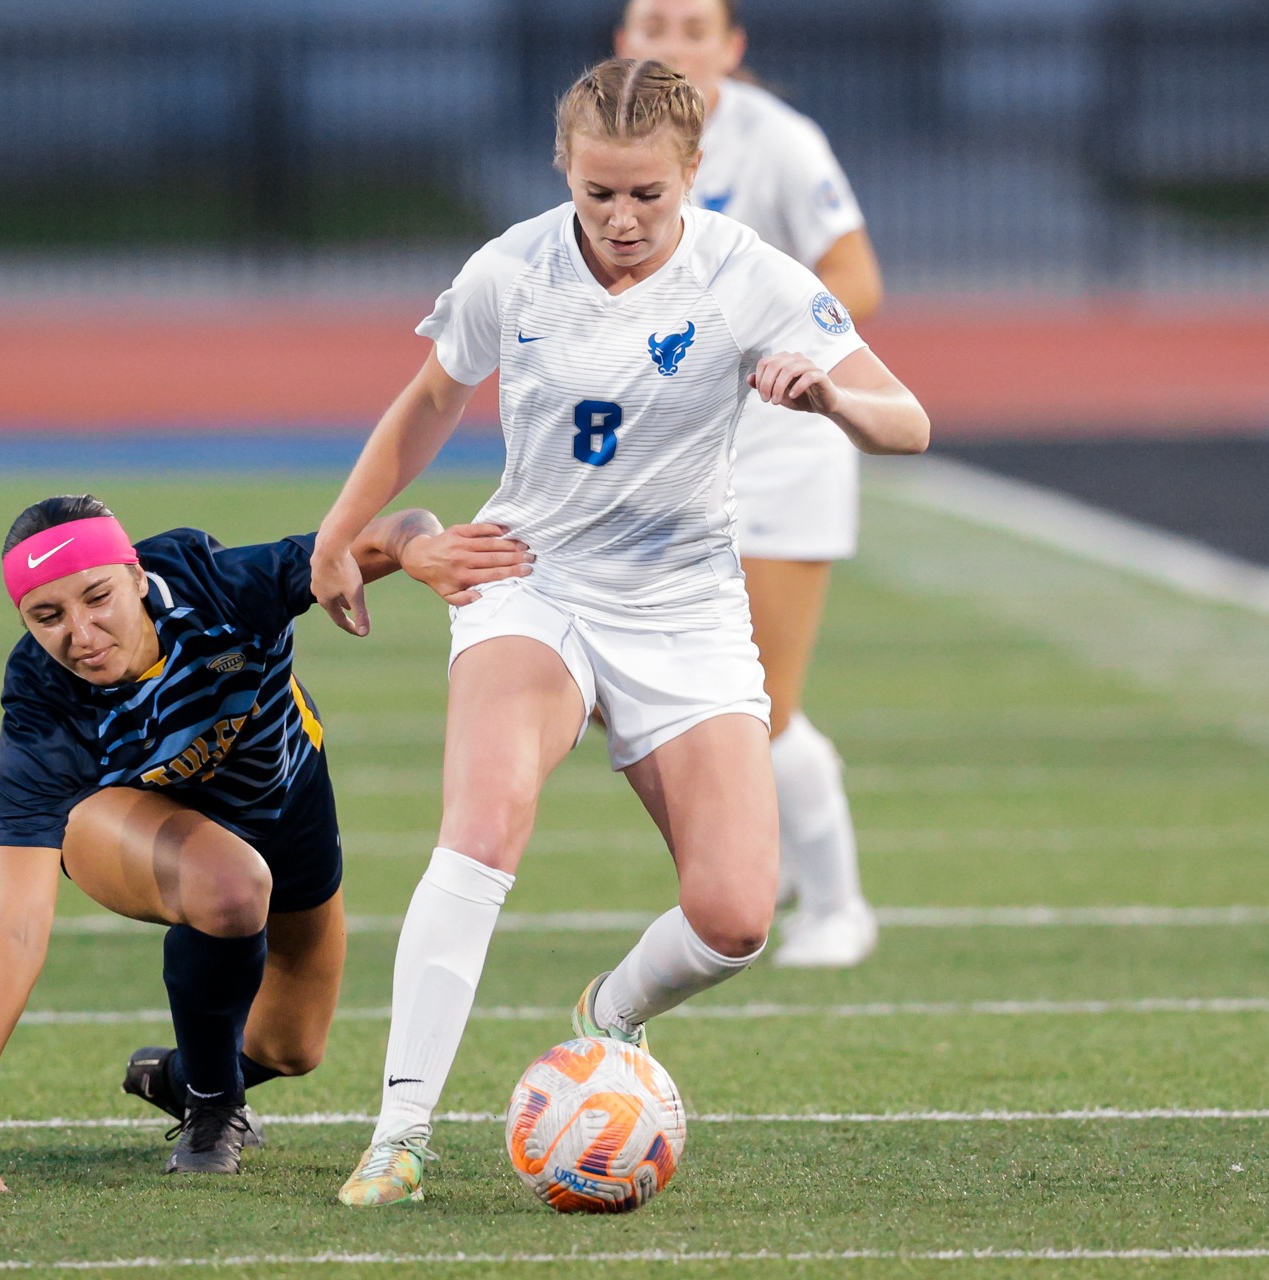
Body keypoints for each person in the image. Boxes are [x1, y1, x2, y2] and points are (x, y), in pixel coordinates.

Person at [310, 57, 928, 1207]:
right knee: (483, 822)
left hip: (686, 605)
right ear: (567, 173)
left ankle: (608, 1014)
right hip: (531, 580)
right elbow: (430, 400)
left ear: (693, 171)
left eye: (647, 192)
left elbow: (910, 419)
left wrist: (832, 398)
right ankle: (397, 1133)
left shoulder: (749, 277)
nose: (622, 218)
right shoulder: (513, 267)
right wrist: (338, 535)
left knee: (738, 912)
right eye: (599, 192)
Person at [0, 494, 531, 1193]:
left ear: (133, 574)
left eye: (97, 597)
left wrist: (420, 549)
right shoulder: (40, 697)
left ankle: (181, 1076)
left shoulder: (221, 586)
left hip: (290, 806)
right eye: (48, 616)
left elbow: (389, 533)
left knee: (293, 1047)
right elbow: (19, 921)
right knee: (231, 887)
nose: (81, 632)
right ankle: (215, 1110)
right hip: (132, 832)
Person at [617, 0, 887, 968]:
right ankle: (761, 858)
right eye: (653, 24)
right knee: (653, 679)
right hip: (680, 450)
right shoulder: (608, 142)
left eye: (693, 27)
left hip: (783, 444)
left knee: (761, 698)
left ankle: (839, 903)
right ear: (623, 44)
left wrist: (773, 331)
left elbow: (854, 276)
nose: (671, 43)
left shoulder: (778, 142)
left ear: (729, 49)